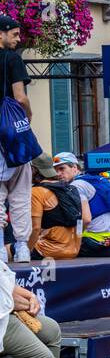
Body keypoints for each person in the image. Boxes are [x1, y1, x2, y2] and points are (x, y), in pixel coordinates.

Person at [0, 15, 32, 262]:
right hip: (12, 135)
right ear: (1, 33)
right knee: (20, 192)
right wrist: (27, 119)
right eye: (15, 34)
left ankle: (0, 247)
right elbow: (20, 97)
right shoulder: (13, 59)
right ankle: (21, 247)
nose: (18, 39)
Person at [29, 153, 85, 260]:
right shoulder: (71, 189)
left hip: (48, 250)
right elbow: (84, 219)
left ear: (33, 170)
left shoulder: (36, 192)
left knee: (8, 249)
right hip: (74, 250)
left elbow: (35, 228)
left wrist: (26, 250)